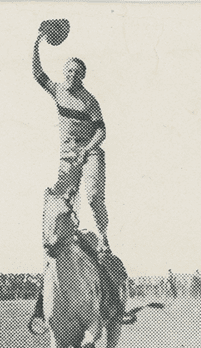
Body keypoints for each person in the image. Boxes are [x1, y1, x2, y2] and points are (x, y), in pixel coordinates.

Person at [30, 27, 122, 325]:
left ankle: (105, 239)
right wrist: (37, 43)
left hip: (91, 151)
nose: (70, 75)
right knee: (57, 203)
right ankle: (46, 275)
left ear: (82, 76)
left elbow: (103, 131)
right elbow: (37, 73)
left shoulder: (90, 101)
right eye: (67, 70)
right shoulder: (56, 90)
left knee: (94, 196)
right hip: (67, 156)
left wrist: (88, 150)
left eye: (75, 72)